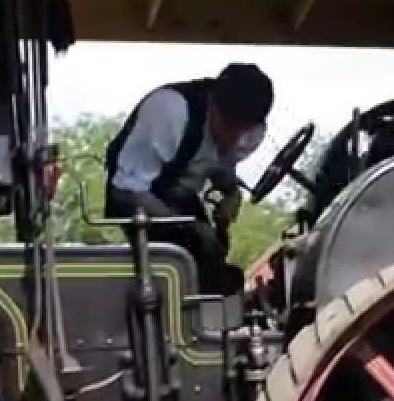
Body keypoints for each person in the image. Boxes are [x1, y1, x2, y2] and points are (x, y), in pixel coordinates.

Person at [104, 63, 274, 294]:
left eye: (246, 130)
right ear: (212, 104)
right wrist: (189, 226)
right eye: (230, 126)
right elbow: (125, 190)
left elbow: (220, 167)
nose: (237, 140)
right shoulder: (170, 111)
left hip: (182, 195)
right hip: (141, 197)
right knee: (183, 270)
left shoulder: (250, 133)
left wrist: (232, 194)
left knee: (215, 261)